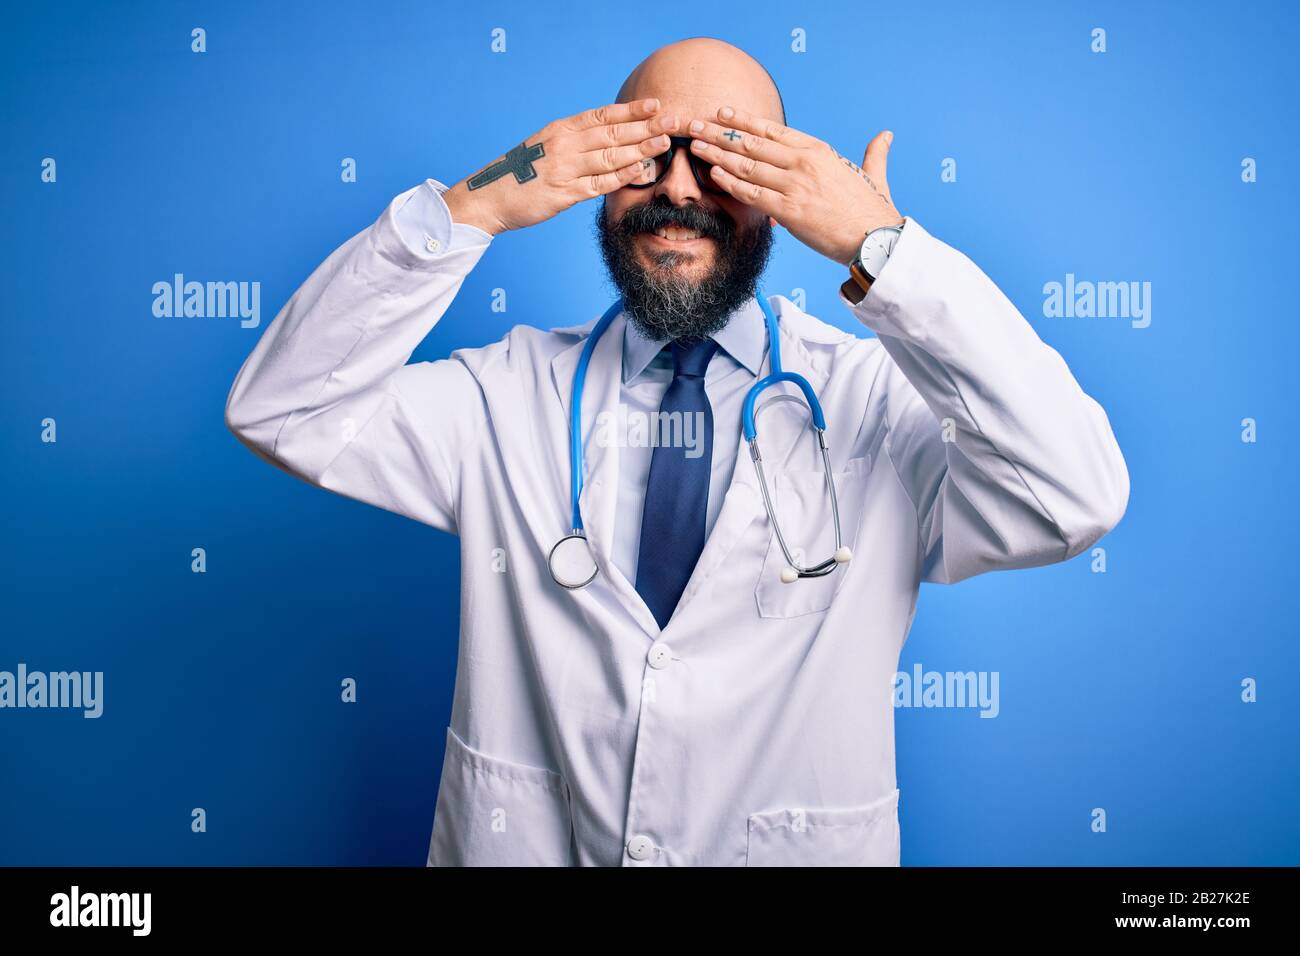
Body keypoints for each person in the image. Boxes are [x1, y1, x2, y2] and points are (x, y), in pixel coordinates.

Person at [225, 37, 1129, 866]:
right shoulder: (505, 395)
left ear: (787, 192)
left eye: (729, 159)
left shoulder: (874, 407)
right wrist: (483, 200)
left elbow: (1073, 495)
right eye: (646, 155)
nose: (682, 191)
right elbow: (283, 407)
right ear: (596, 170)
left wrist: (883, 249)